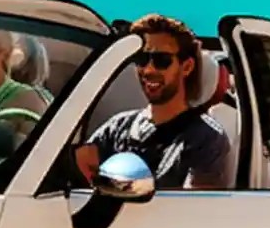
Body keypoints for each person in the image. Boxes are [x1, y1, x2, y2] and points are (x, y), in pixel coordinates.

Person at [74, 13, 232, 189]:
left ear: (186, 67)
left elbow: (195, 207)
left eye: (161, 60)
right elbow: (77, 165)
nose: (148, 70)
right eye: (141, 59)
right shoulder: (118, 126)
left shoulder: (205, 138)